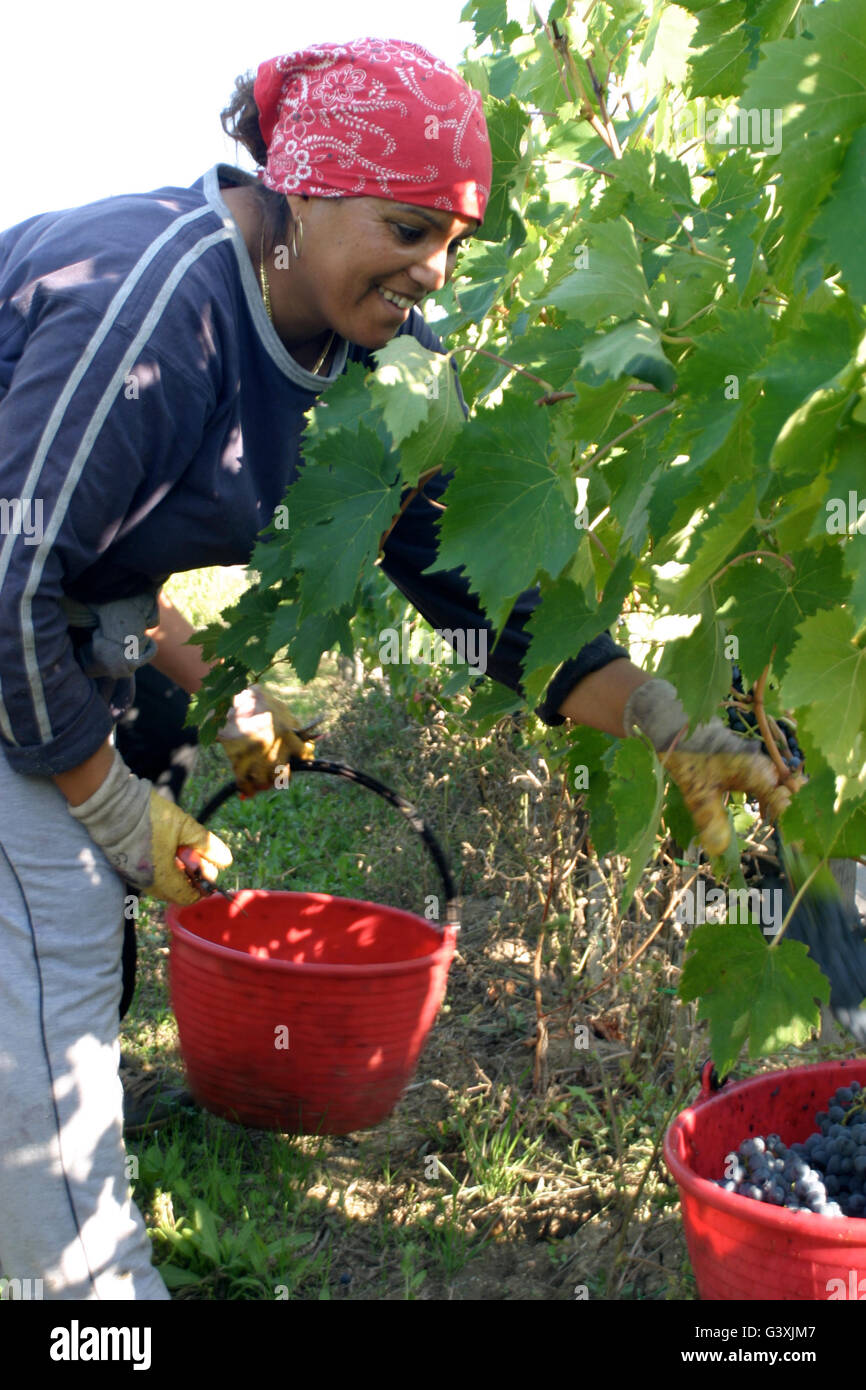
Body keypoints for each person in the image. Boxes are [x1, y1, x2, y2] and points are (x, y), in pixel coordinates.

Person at [0, 36, 797, 1300]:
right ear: (305, 186)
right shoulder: (152, 307)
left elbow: (469, 594)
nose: (432, 271)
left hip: (52, 632)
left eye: (454, 242)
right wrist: (107, 803)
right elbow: (15, 582)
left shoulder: (359, 359)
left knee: (60, 961)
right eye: (408, 226)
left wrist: (655, 714)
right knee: (48, 1022)